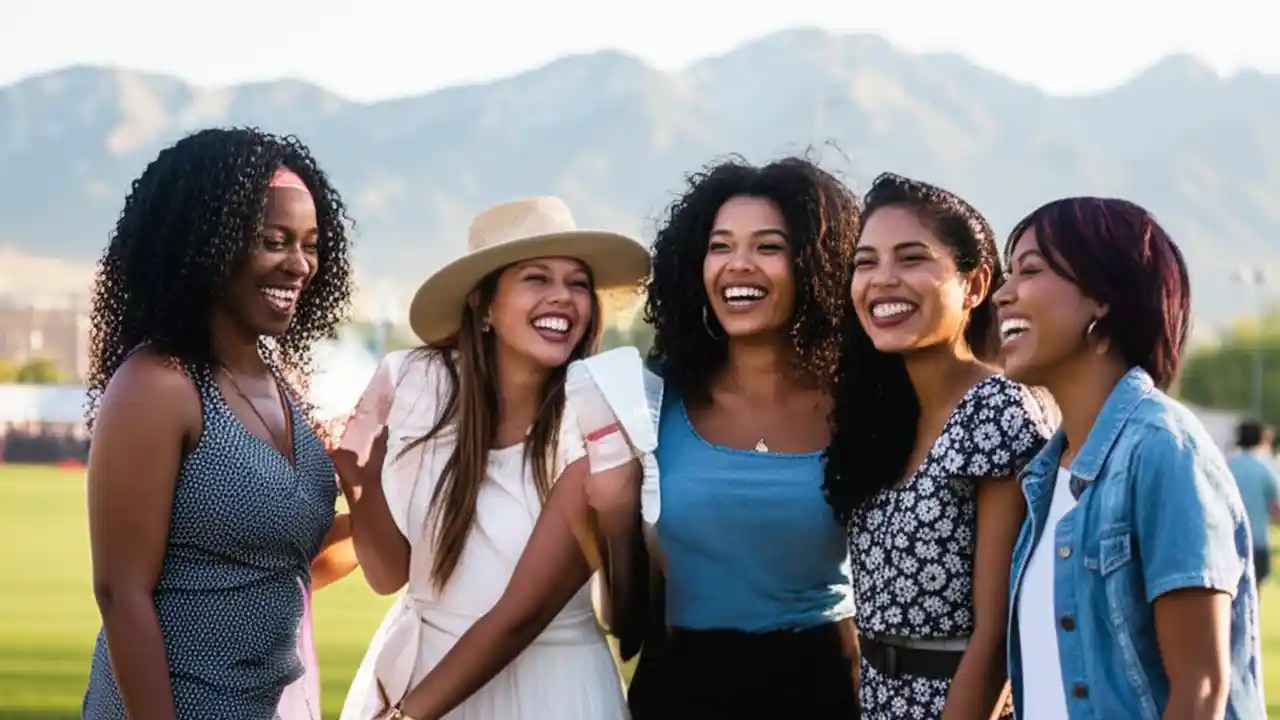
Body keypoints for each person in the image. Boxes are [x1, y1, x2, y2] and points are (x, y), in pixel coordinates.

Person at [333, 196, 651, 720]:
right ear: (484, 307)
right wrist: (360, 481)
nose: (562, 298)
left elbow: (519, 617)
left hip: (548, 691)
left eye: (577, 283)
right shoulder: (425, 394)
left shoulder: (596, 414)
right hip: (424, 671)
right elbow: (390, 576)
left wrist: (407, 717)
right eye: (537, 279)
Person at [81, 127, 357, 719]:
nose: (299, 264)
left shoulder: (278, 383)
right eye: (273, 241)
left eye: (310, 244)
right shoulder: (159, 384)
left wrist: (386, 492)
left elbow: (287, 559)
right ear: (205, 243)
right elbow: (121, 593)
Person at [996, 197, 1265, 718]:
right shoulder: (1044, 476)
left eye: (1029, 271)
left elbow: (1201, 691)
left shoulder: (1164, 450)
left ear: (1102, 297)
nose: (1003, 295)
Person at [625, 156, 862, 717]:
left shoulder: (863, 407)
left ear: (814, 265)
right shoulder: (650, 400)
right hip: (679, 690)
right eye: (720, 246)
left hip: (824, 689)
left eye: (768, 247)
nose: (738, 265)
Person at [822, 172, 1054, 719]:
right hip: (878, 701)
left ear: (974, 287)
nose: (882, 280)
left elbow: (997, 635)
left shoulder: (999, 410)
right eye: (866, 262)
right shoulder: (874, 413)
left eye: (910, 259)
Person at [1227, 420, 1280, 594]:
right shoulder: (1264, 468)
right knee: (1253, 596)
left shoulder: (1226, 464)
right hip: (1256, 541)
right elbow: (1276, 507)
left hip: (1228, 540)